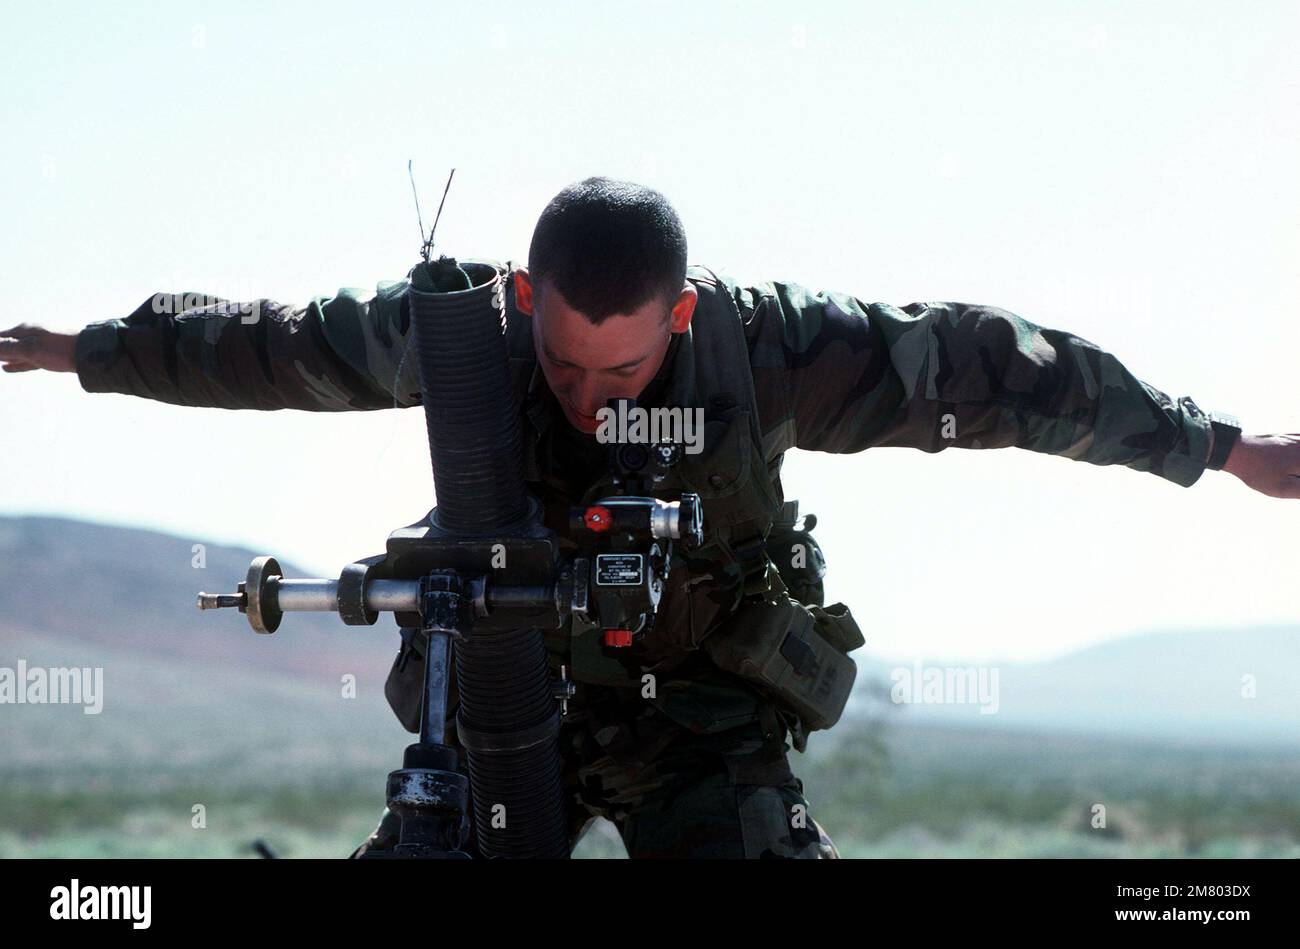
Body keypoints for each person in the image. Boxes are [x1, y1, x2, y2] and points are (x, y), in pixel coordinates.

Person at [4, 177, 1298, 859]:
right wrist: (79, 349)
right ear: (528, 295)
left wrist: (1220, 446)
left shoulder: (774, 347)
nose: (583, 397)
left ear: (677, 318)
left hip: (706, 718)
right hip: (511, 712)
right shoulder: (468, 333)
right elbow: (267, 347)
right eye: (562, 368)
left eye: (617, 377)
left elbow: (1005, 373)